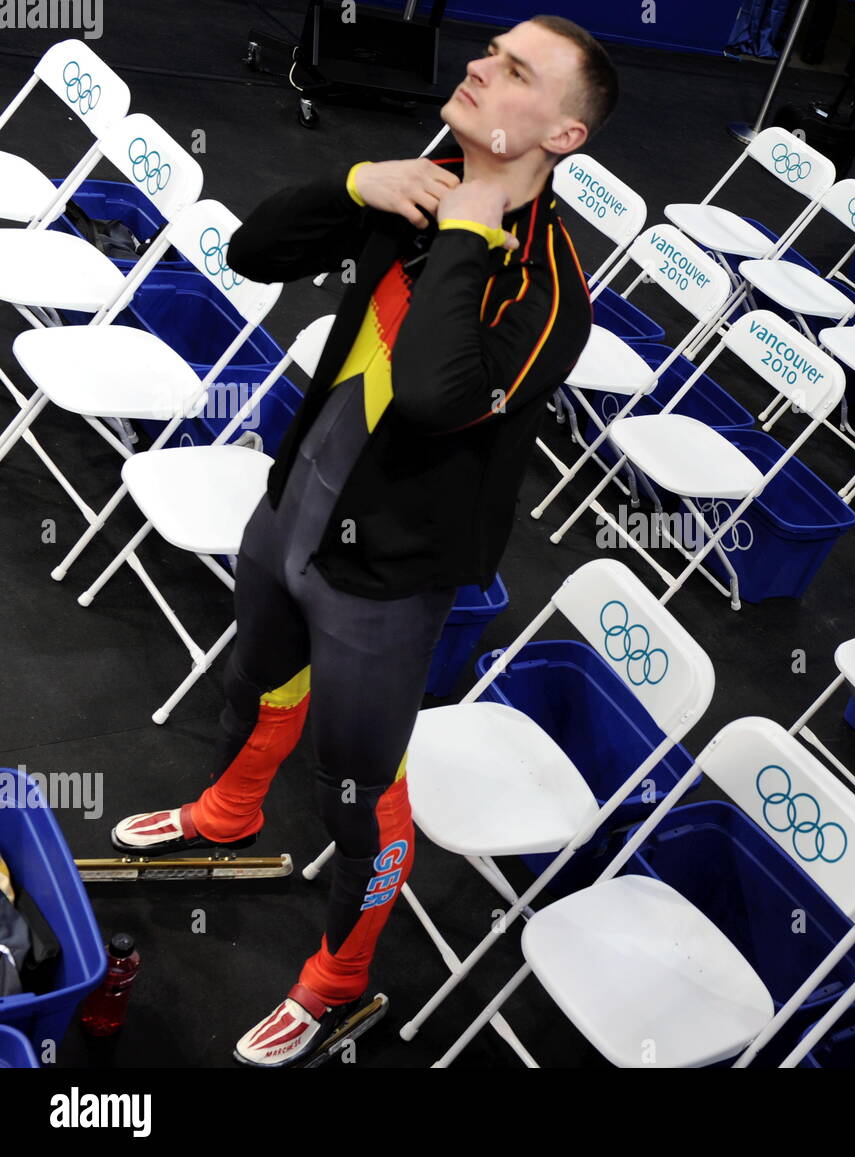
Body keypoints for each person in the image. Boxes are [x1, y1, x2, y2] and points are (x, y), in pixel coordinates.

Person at [108, 15, 614, 1067]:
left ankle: (338, 981)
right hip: (293, 503)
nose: (477, 66)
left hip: (387, 573)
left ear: (562, 136)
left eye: (515, 71)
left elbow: (434, 400)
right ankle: (228, 811)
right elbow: (253, 251)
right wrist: (354, 185)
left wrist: (470, 232)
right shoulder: (420, 179)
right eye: (489, 50)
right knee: (255, 679)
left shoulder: (549, 285)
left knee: (357, 779)